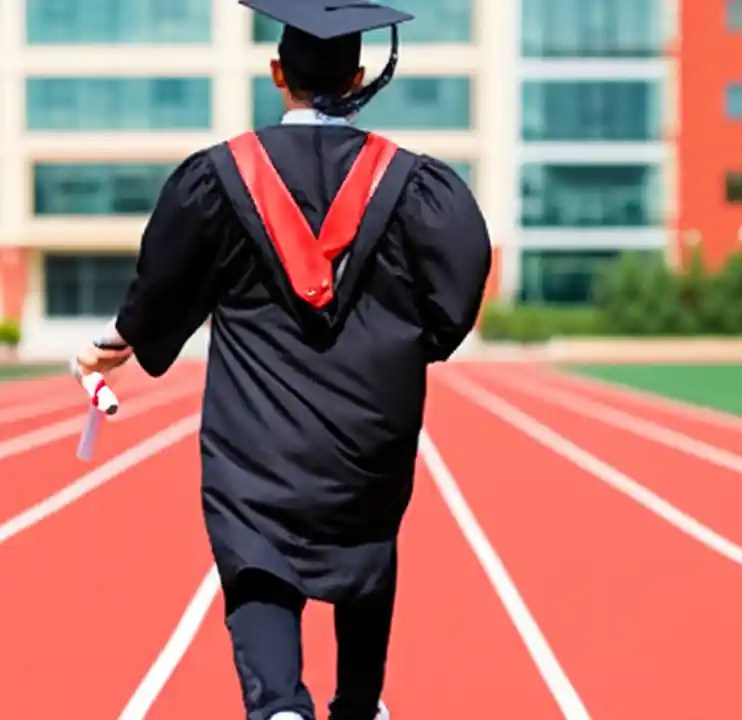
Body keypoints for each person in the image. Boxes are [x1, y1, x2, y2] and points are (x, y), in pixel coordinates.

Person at [78, 1, 492, 717]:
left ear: (277, 74)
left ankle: (278, 705)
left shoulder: (220, 178)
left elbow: (164, 284)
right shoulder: (414, 185)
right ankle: (358, 703)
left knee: (257, 557)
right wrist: (403, 343)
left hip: (255, 442)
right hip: (369, 432)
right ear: (360, 77)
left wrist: (118, 341)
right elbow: (455, 294)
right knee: (366, 547)